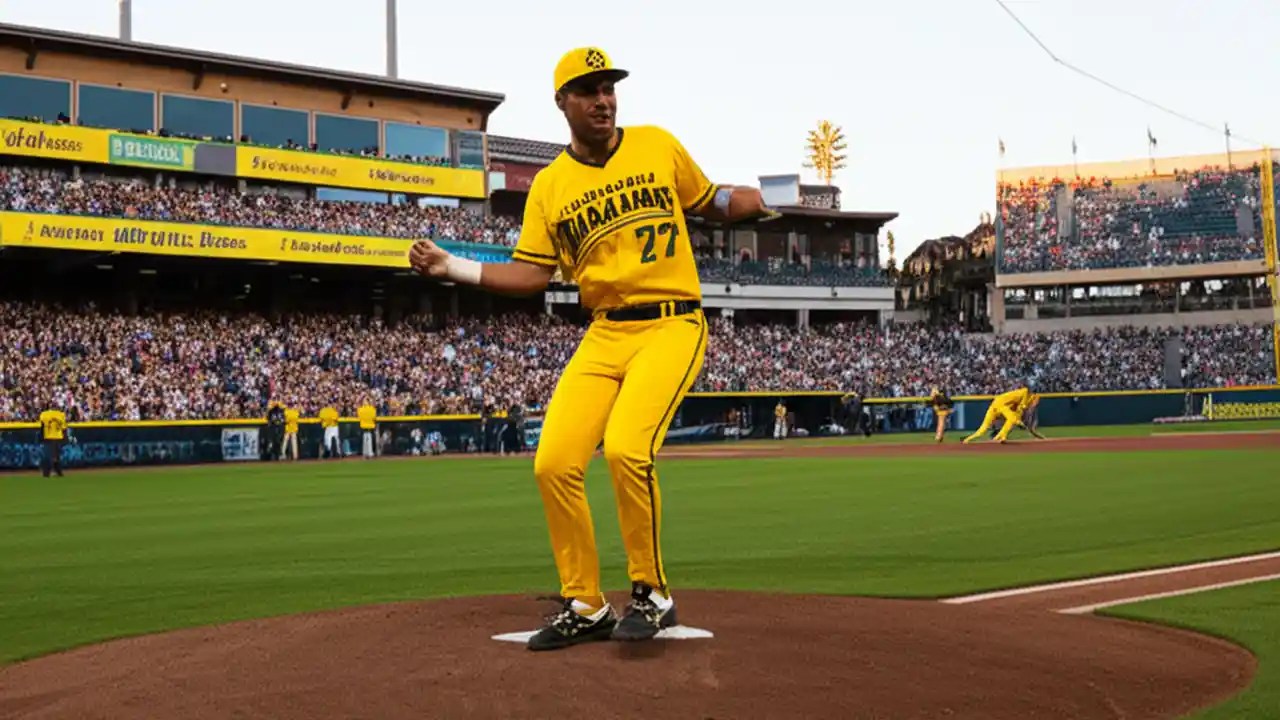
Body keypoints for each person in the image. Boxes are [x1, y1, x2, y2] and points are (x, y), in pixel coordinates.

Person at [409, 46, 771, 651]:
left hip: (672, 323)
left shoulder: (657, 143)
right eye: (588, 90)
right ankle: (586, 601)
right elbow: (530, 276)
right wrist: (455, 267)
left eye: (609, 88)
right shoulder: (550, 186)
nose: (603, 99)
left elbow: (711, 201)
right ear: (563, 103)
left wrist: (748, 201)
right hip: (605, 332)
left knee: (629, 448)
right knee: (553, 461)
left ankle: (652, 593)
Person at [963, 386, 1038, 444]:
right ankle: (1001, 436)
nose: (1032, 393)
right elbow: (1023, 407)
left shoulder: (1023, 395)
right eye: (1032, 391)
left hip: (996, 405)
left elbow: (1020, 408)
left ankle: (967, 439)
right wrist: (1021, 422)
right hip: (1000, 404)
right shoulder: (1025, 392)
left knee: (983, 428)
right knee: (1012, 418)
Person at [38, 405, 67, 477]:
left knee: (48, 456)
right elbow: (64, 429)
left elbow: (41, 427)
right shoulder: (61, 415)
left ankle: (46, 473)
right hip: (58, 437)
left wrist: (41, 438)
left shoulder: (44, 414)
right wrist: (65, 439)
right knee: (56, 457)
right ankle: (58, 472)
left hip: (48, 437)